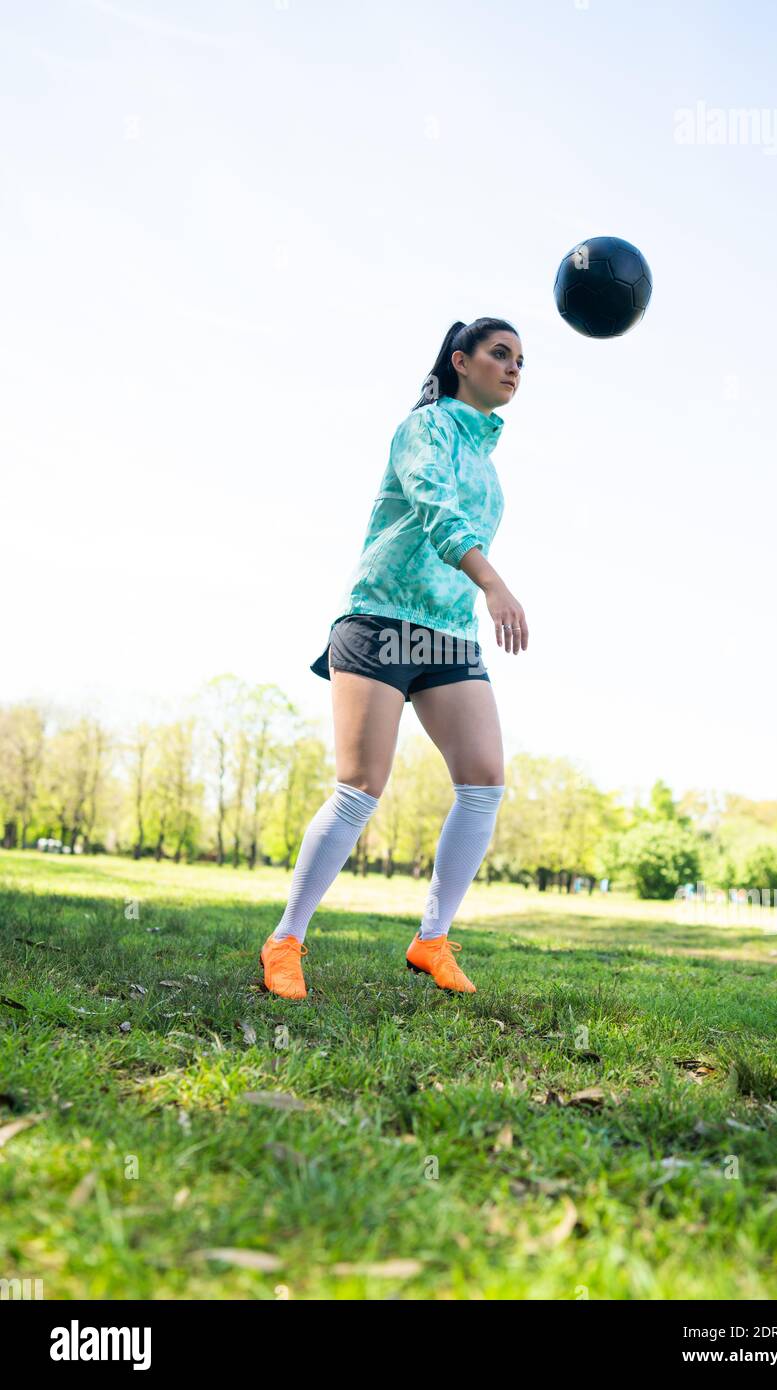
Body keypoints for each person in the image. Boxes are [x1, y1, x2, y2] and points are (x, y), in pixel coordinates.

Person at [260, 318, 527, 999]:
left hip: (445, 632)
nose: (513, 368)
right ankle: (285, 940)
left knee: (483, 779)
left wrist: (477, 595)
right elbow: (436, 513)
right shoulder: (423, 428)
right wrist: (494, 583)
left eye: (521, 361)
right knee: (360, 786)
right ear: (459, 361)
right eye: (500, 354)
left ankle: (430, 941)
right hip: (381, 616)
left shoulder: (489, 463)